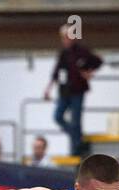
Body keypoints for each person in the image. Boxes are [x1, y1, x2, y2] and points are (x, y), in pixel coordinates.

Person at [44, 26, 102, 156]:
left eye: (68, 37)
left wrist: (89, 72)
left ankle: (77, 146)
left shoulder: (82, 51)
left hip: (78, 90)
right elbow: (56, 72)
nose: (66, 40)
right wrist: (49, 89)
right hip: (65, 90)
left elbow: (98, 61)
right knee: (58, 116)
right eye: (64, 37)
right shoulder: (63, 53)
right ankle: (77, 139)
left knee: (76, 119)